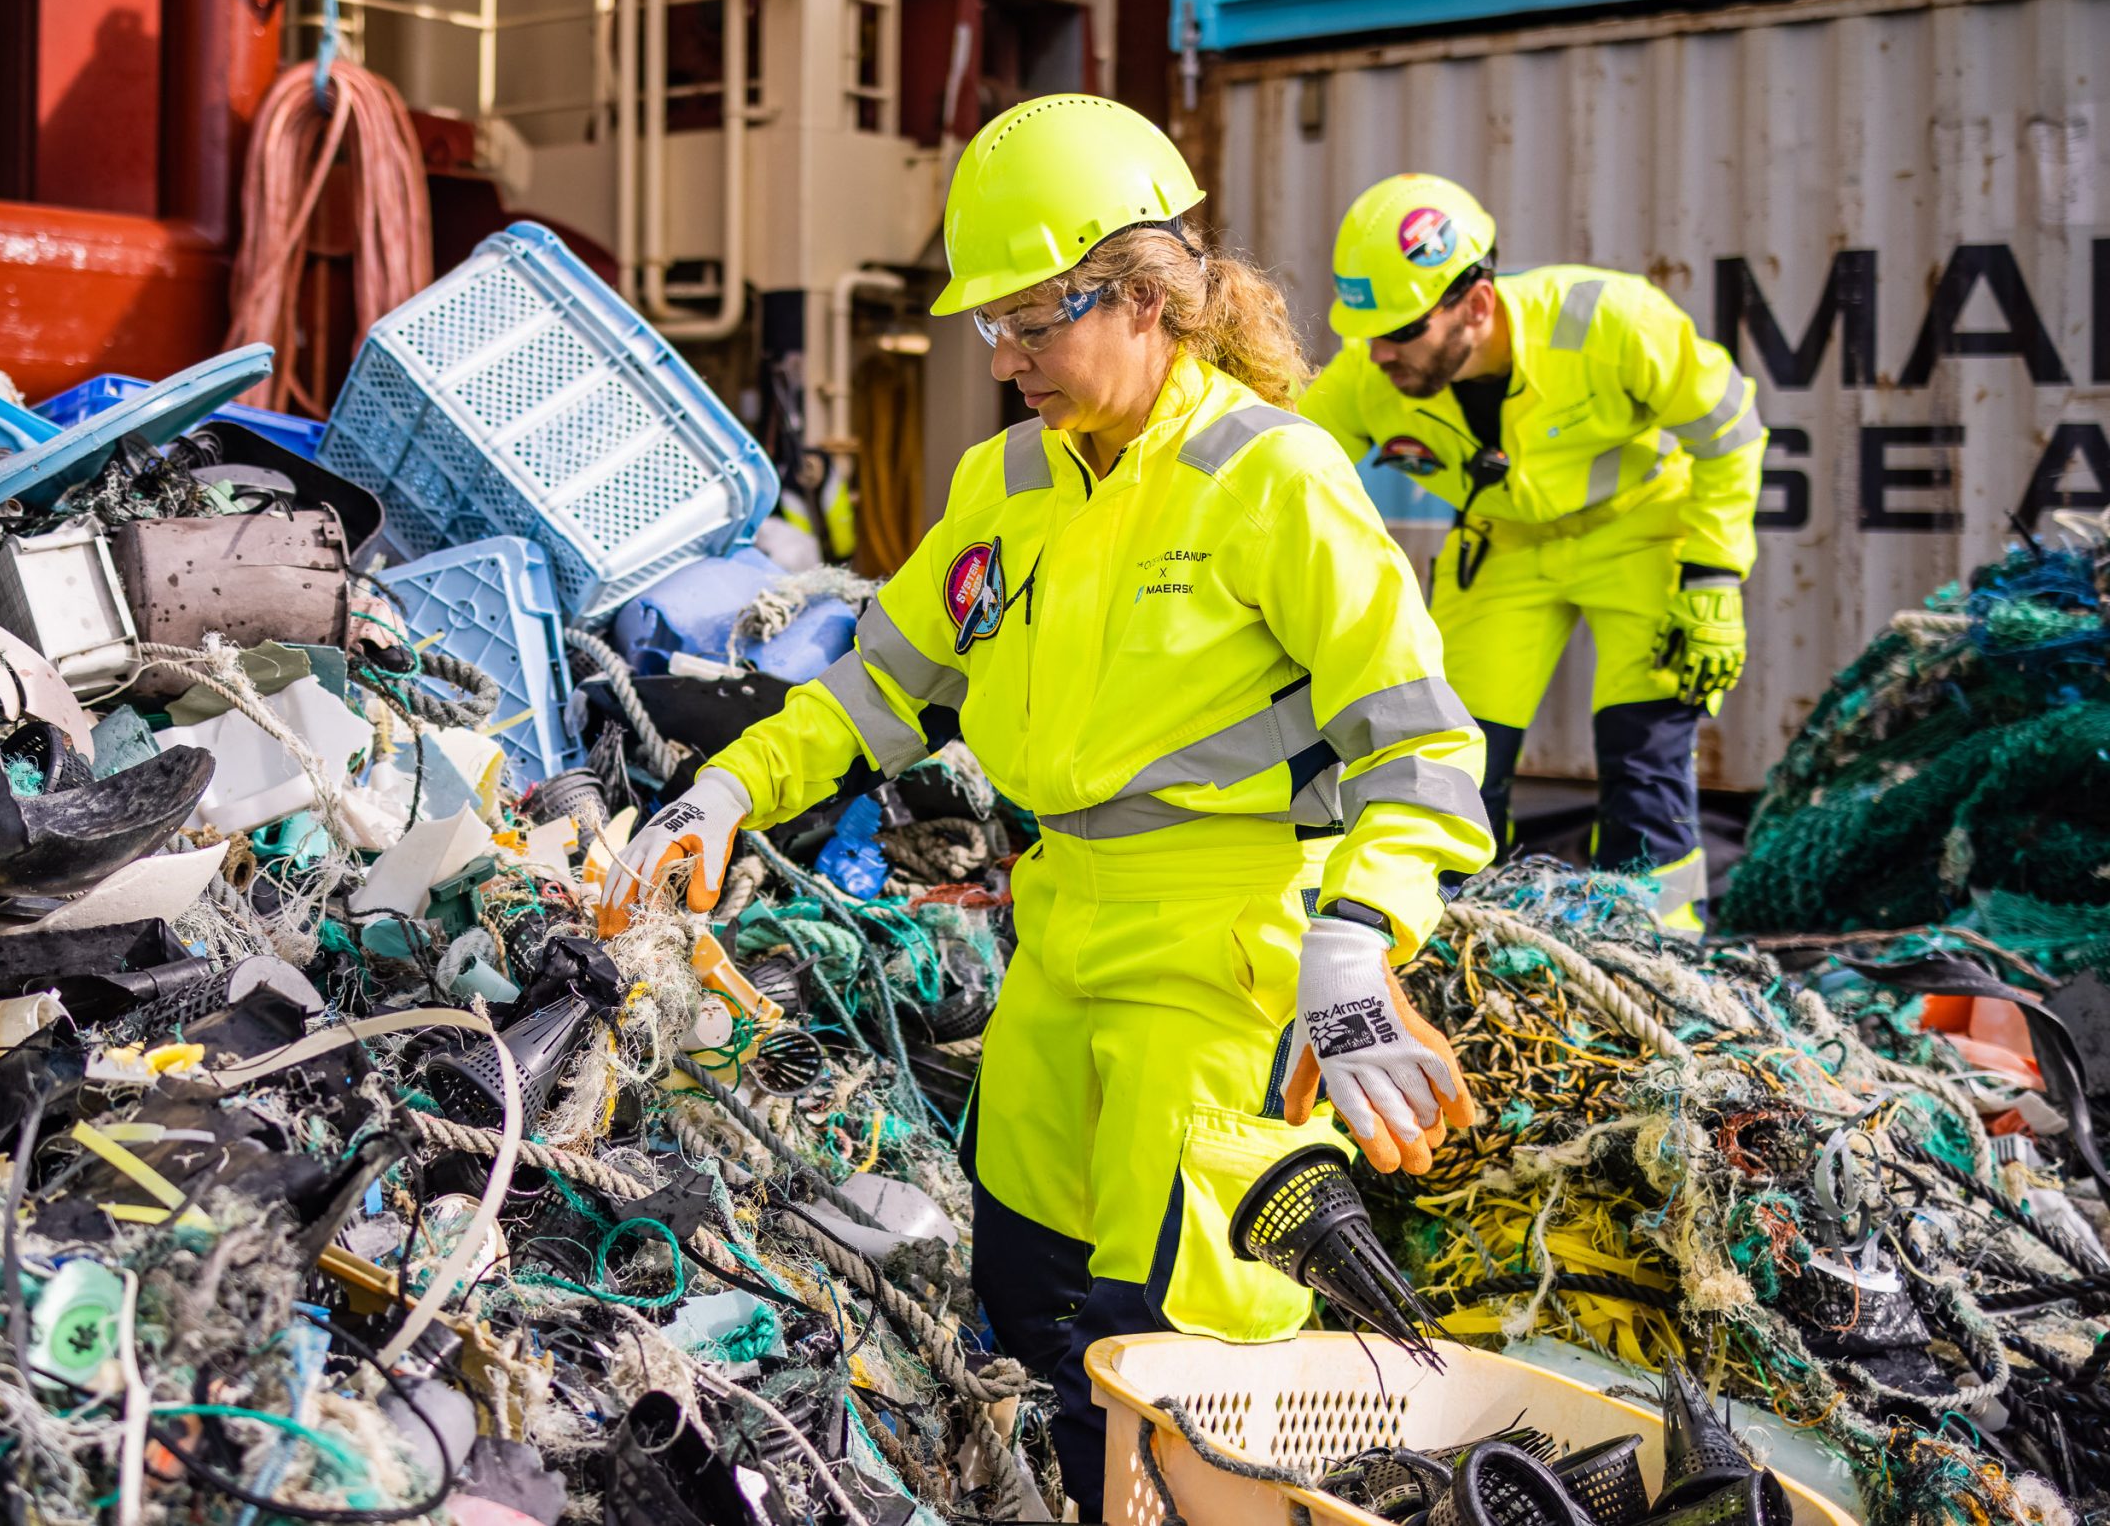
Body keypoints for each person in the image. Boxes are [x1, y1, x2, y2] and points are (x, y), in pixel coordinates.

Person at [600, 96, 1493, 1514]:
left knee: (1176, 1362)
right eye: (991, 330)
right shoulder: (1004, 482)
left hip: (1214, 973)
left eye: (1031, 323)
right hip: (1055, 955)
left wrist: (1358, 940)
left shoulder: (1271, 479)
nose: (1005, 362)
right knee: (1026, 1312)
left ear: (1142, 298)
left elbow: (1424, 752)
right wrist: (727, 785)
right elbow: (875, 688)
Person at [1301, 174, 1766, 932]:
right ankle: (1473, 945)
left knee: (1642, 762)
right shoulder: (1367, 374)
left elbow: (1731, 432)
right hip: (1505, 550)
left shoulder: (1614, 322)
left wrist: (1713, 575)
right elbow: (1281, 465)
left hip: (1638, 533)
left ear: (1475, 305)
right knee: (1453, 763)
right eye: (1365, 330)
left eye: (1399, 330)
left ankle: (1657, 957)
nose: (1377, 352)